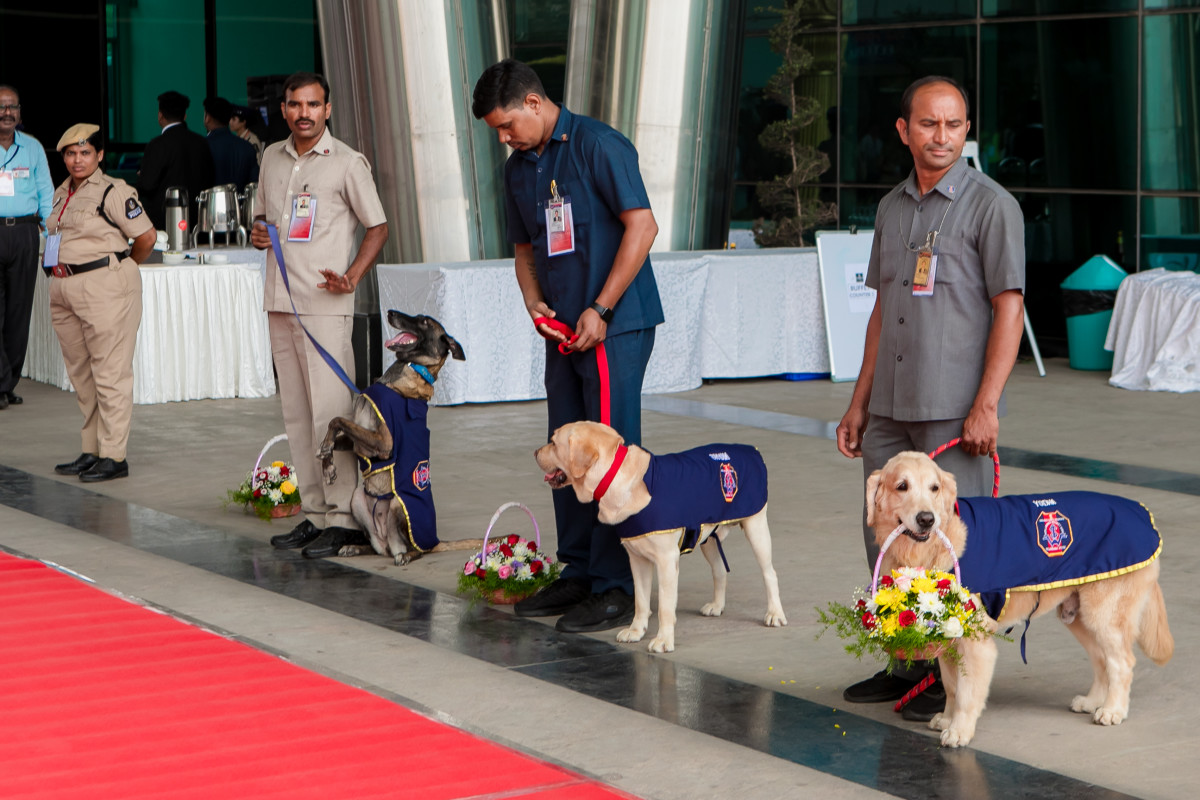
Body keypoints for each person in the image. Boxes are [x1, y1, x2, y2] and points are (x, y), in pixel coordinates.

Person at [834, 75, 1025, 721]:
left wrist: (988, 403)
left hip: (953, 411)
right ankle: (905, 662)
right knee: (888, 541)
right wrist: (859, 402)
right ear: (903, 129)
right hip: (889, 407)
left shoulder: (991, 205)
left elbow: (1009, 308)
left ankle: (951, 680)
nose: (941, 137)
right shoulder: (891, 208)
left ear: (966, 128)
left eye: (954, 124)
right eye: (928, 124)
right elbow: (883, 309)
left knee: (950, 548)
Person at [472, 59, 663, 633]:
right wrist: (534, 302)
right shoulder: (519, 168)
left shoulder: (598, 144)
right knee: (564, 452)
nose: (504, 139)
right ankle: (577, 568)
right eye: (496, 132)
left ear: (534, 103)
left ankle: (617, 585)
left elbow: (643, 227)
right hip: (563, 334)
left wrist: (601, 308)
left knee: (607, 455)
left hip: (613, 325)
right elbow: (525, 249)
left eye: (507, 126)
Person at [249, 72, 389, 559]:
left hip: (324, 309)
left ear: (327, 109)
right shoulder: (270, 156)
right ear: (283, 109)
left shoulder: (348, 163)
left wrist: (351, 275)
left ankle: (345, 518)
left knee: (331, 416)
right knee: (297, 415)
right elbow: (263, 218)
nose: (303, 112)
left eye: (312, 104)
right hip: (280, 301)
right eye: (294, 104)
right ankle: (314, 513)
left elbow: (378, 226)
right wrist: (258, 233)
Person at [45, 124, 157, 482]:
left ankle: (114, 455)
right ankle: (91, 449)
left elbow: (146, 236)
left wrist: (121, 269)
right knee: (82, 374)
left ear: (100, 155)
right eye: (70, 154)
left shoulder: (113, 191)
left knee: (110, 373)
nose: (77, 160)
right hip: (63, 287)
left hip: (103, 286)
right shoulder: (62, 192)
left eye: (85, 153)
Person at [0, 84, 54, 410]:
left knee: (19, 314)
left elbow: (46, 193)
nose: (7, 113)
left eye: (12, 107)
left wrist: (52, 239)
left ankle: (8, 382)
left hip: (24, 232)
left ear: (19, 112)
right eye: (1, 106)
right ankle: (2, 383)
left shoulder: (32, 148)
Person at [136, 90, 214, 230]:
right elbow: (209, 179)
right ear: (185, 115)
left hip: (165, 223)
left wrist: (142, 176)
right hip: (198, 222)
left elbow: (147, 185)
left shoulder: (157, 144)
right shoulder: (201, 142)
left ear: (160, 115)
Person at [203, 96, 258, 190]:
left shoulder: (201, 146)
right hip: (239, 203)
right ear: (228, 119)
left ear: (208, 118)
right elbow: (255, 186)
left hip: (209, 203)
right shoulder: (247, 147)